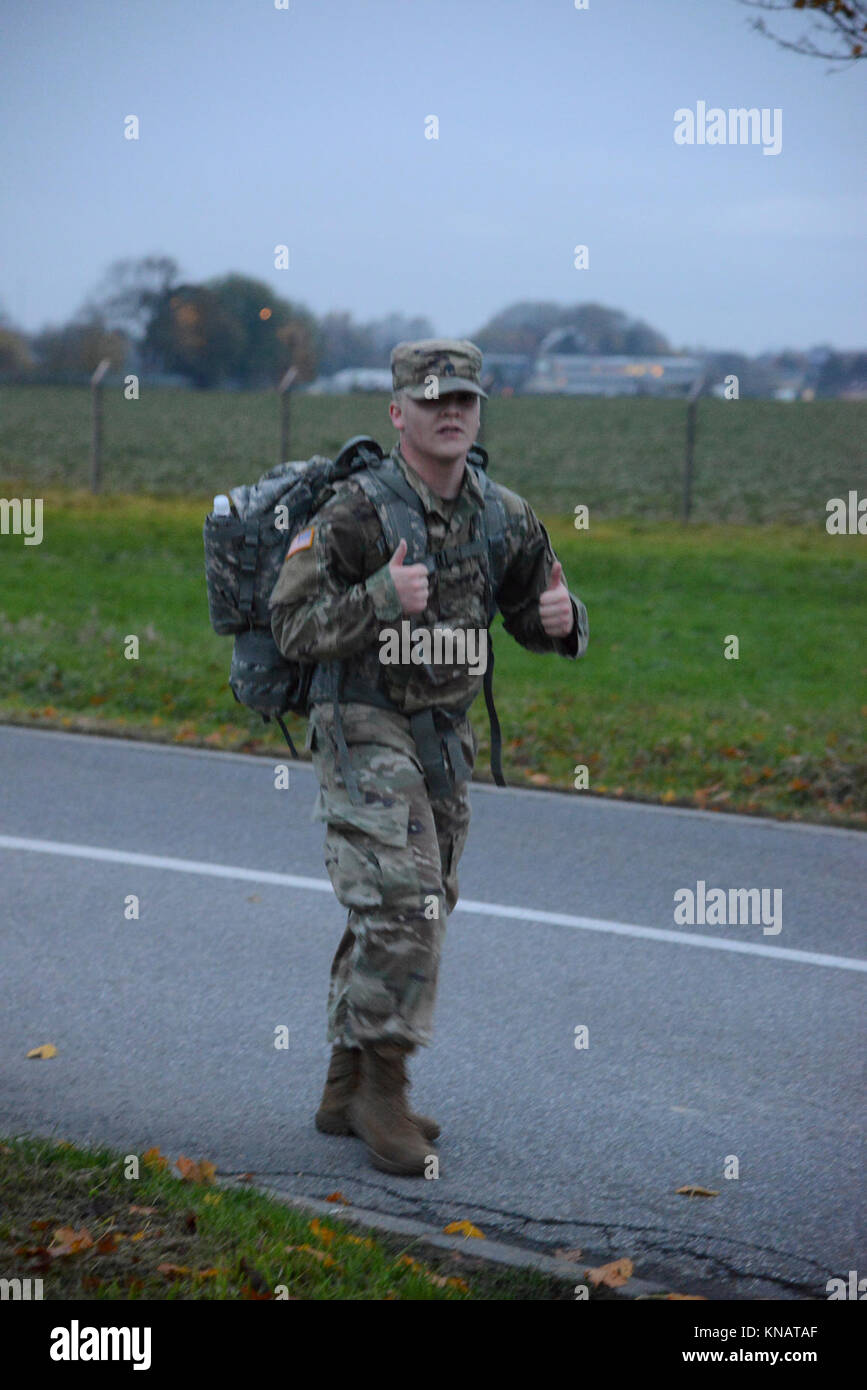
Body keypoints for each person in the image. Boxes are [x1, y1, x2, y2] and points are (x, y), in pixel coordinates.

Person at [269, 338, 588, 1176]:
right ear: (397, 412)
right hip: (360, 721)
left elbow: (527, 604)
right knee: (404, 903)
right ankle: (384, 1089)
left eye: (465, 399)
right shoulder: (357, 511)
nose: (451, 411)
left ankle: (343, 1086)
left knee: (410, 902)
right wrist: (380, 597)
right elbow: (291, 626)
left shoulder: (501, 514)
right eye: (433, 398)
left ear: (478, 410)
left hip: (442, 734)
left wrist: (561, 623)